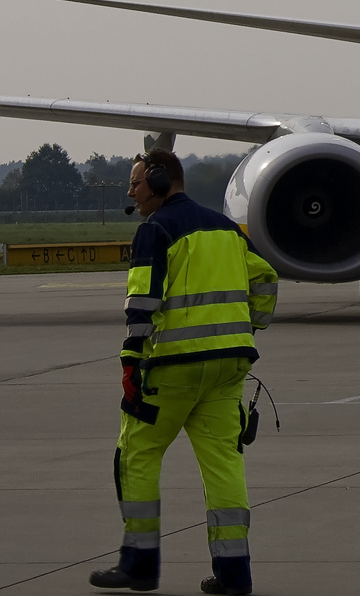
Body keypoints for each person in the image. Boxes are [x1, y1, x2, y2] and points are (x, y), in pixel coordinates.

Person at [90, 150, 278, 596]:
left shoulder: (154, 230)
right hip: (229, 366)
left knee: (135, 455)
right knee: (224, 466)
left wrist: (130, 361)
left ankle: (138, 564)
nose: (131, 192)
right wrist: (252, 324)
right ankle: (234, 575)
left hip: (173, 369)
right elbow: (266, 278)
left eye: (136, 183)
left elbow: (141, 305)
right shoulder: (227, 229)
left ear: (159, 180)